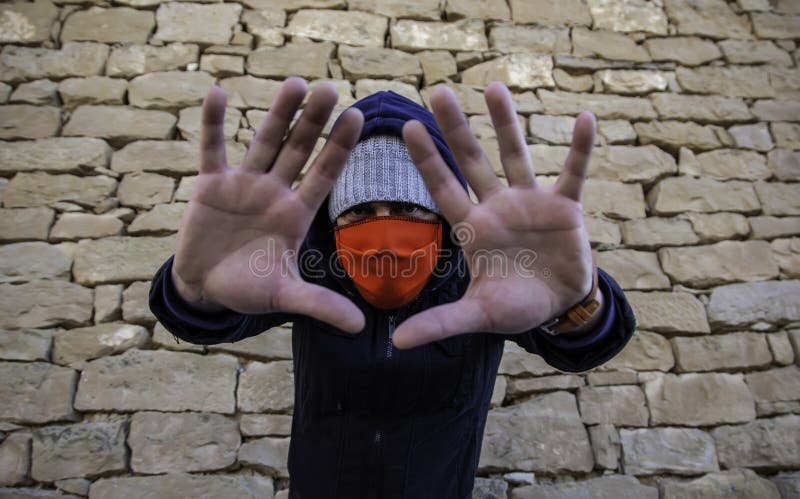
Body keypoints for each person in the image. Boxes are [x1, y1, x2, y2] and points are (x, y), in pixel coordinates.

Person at [149, 77, 636, 498]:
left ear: (441, 219)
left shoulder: (489, 280)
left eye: (407, 211)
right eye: (360, 212)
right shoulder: (309, 273)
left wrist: (578, 304)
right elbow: (210, 317)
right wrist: (194, 286)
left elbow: (582, 346)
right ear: (334, 222)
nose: (384, 233)